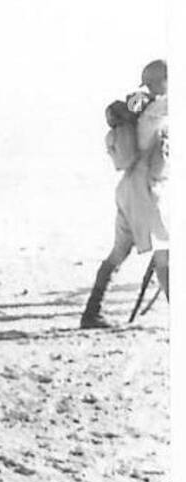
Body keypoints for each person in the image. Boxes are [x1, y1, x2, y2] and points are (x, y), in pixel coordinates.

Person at [81, 59, 169, 328]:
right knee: (165, 253)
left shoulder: (147, 111)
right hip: (143, 191)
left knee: (118, 253)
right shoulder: (158, 109)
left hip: (129, 189)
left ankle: (91, 313)